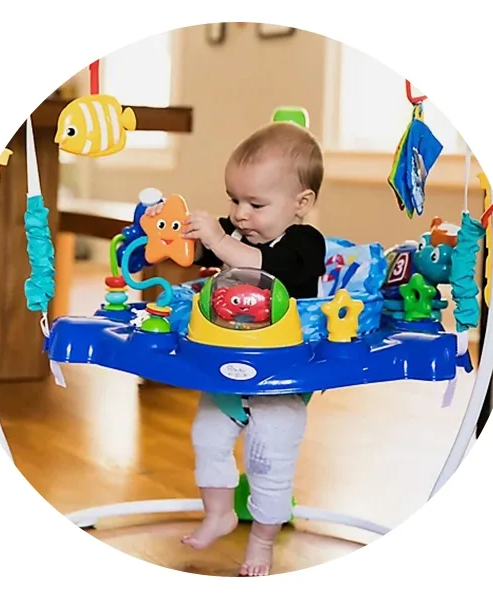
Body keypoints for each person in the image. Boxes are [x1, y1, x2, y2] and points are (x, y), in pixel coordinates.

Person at [146, 121, 327, 576]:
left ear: (301, 203)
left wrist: (219, 241)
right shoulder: (236, 233)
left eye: (256, 204)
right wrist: (175, 234)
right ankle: (219, 513)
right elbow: (201, 252)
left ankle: (262, 541)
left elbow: (269, 269)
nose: (241, 214)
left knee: (268, 459)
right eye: (234, 200)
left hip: (281, 377)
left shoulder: (305, 243)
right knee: (206, 437)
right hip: (227, 367)